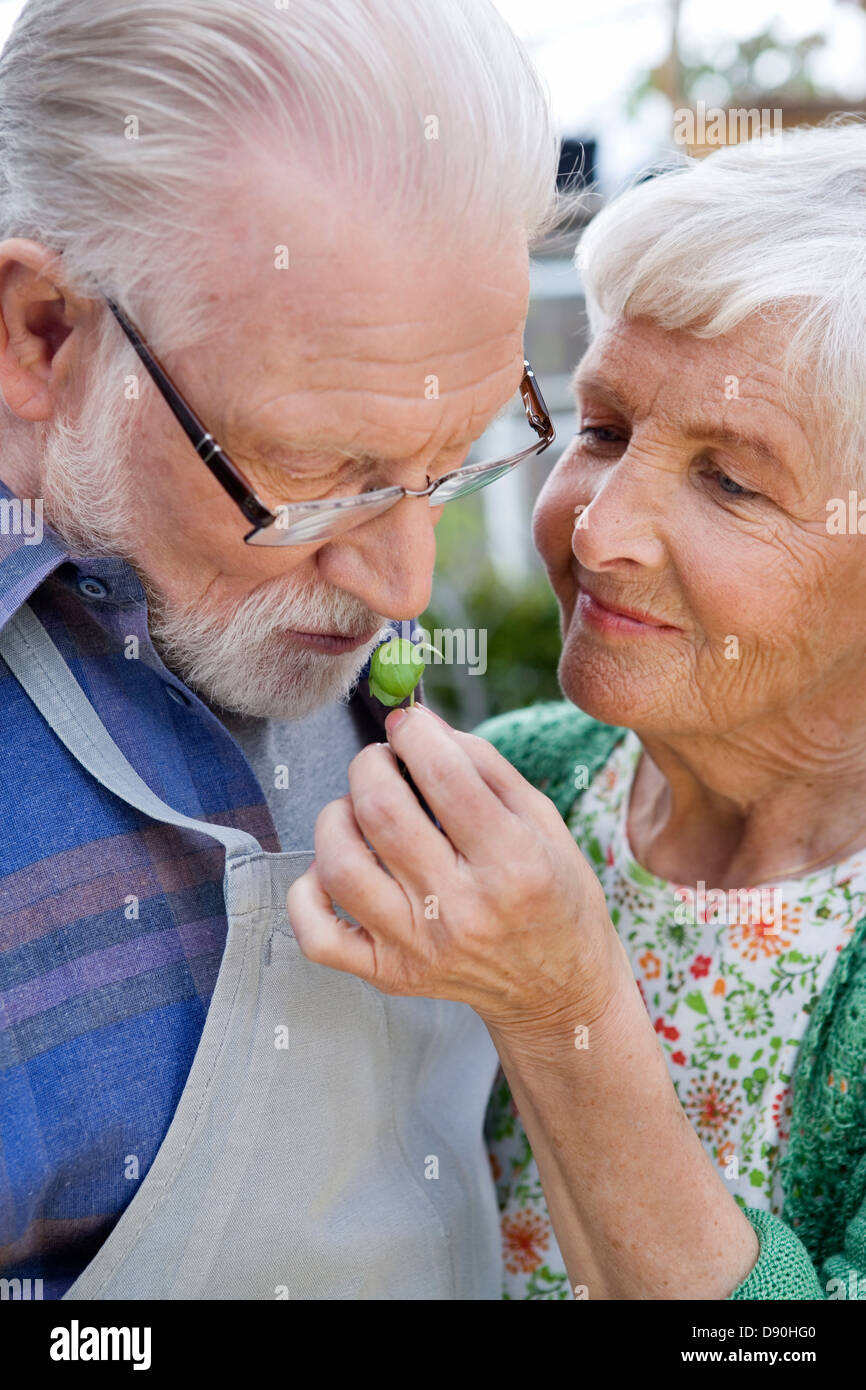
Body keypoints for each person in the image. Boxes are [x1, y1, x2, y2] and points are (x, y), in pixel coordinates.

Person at [0, 0, 568, 1299]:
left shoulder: (340, 599)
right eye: (315, 472)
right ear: (40, 331)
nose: (404, 583)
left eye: (460, 453)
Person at [292, 121, 866, 1300]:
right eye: (600, 428)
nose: (596, 529)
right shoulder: (522, 786)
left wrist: (563, 1006)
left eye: (728, 479)